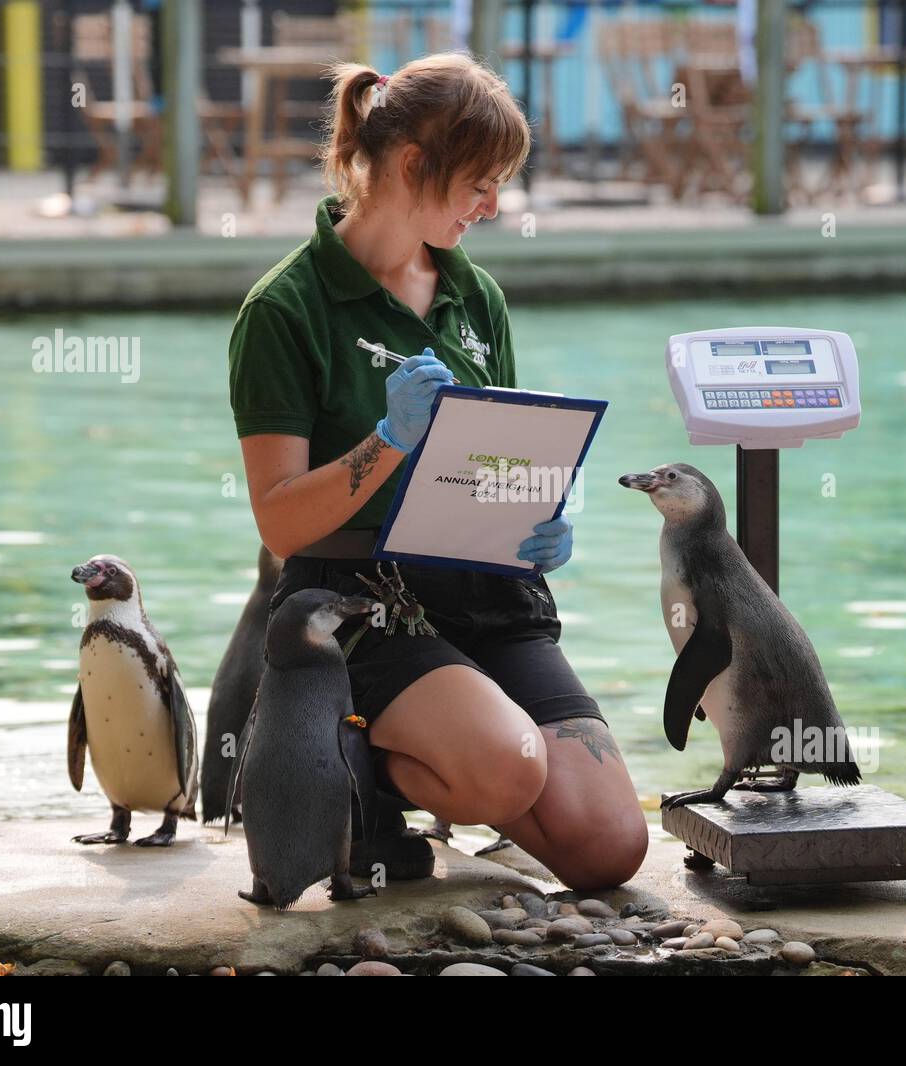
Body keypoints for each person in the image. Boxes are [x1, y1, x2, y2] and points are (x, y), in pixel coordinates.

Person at [226, 53, 647, 891]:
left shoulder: (475, 295)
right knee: (507, 769)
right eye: (481, 184)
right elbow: (278, 525)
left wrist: (537, 523)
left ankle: (460, 751)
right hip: (361, 598)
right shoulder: (283, 309)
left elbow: (494, 457)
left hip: (486, 590)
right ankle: (362, 782)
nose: (495, 207)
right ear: (414, 165)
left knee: (609, 849)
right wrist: (387, 439)